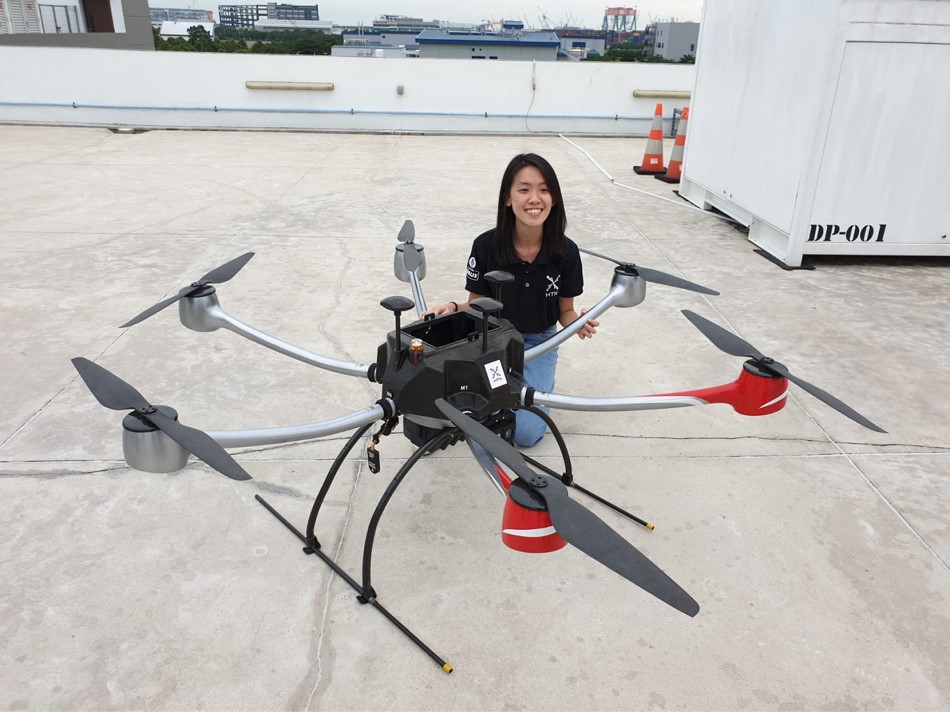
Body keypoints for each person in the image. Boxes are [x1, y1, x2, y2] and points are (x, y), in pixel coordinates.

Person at [423, 153, 599, 447]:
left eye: (544, 190)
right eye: (524, 189)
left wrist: (577, 323)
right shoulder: (485, 245)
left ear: (554, 198)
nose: (535, 198)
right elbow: (476, 304)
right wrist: (453, 307)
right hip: (491, 342)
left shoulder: (566, 252)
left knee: (526, 435)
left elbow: (565, 311)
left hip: (539, 342)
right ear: (508, 198)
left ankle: (533, 388)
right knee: (470, 410)